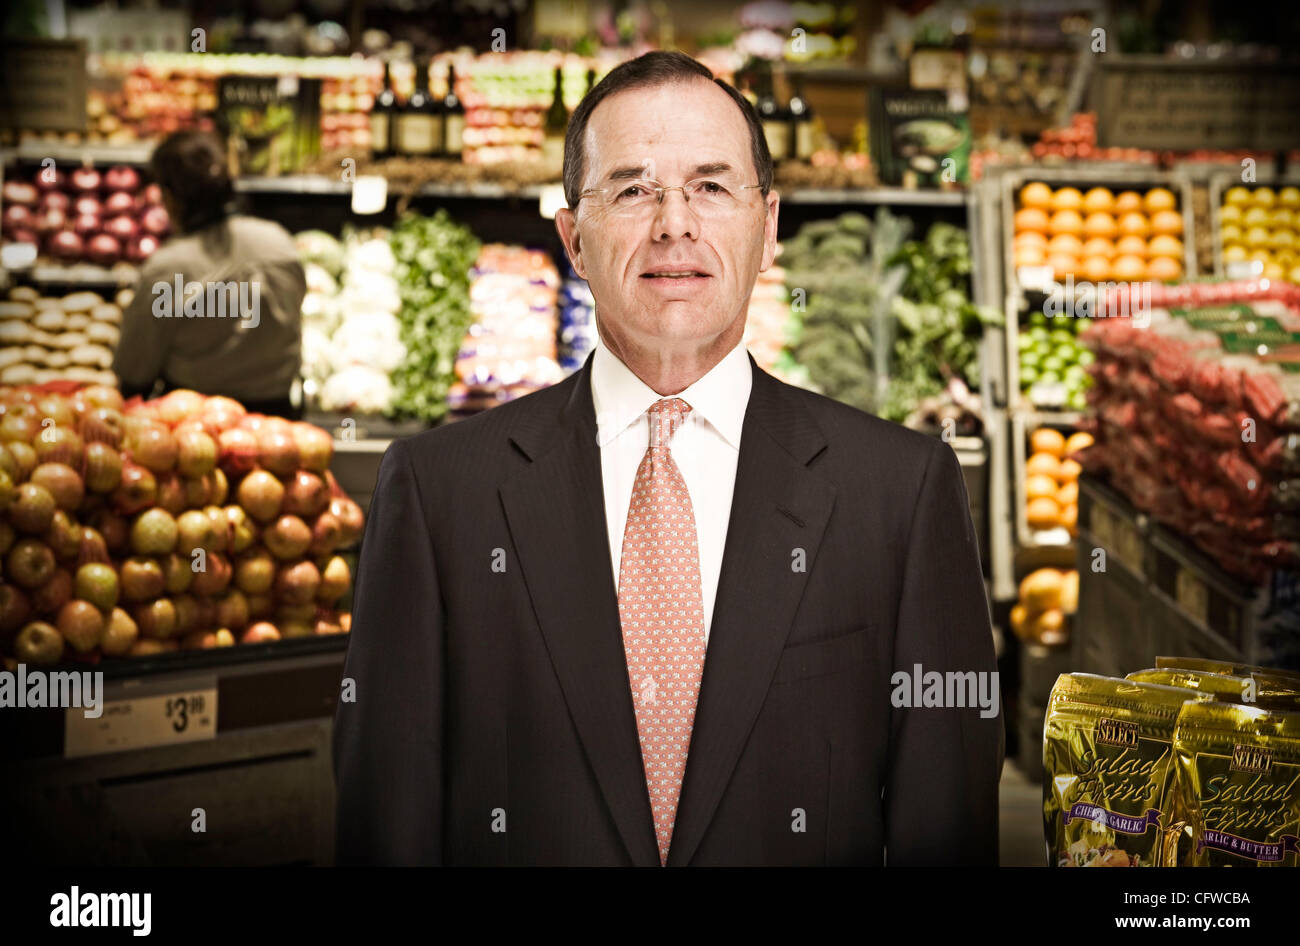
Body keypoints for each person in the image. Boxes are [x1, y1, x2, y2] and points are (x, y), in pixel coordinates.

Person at [334, 51, 1002, 866]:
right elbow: (387, 821)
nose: (674, 223)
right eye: (632, 189)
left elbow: (946, 829)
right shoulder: (440, 495)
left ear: (770, 227)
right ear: (573, 240)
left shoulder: (899, 492)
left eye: (713, 187)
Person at [112, 130, 304, 417]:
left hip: (193, 425)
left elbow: (134, 374)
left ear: (171, 198)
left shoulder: (167, 268)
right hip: (278, 421)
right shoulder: (279, 243)